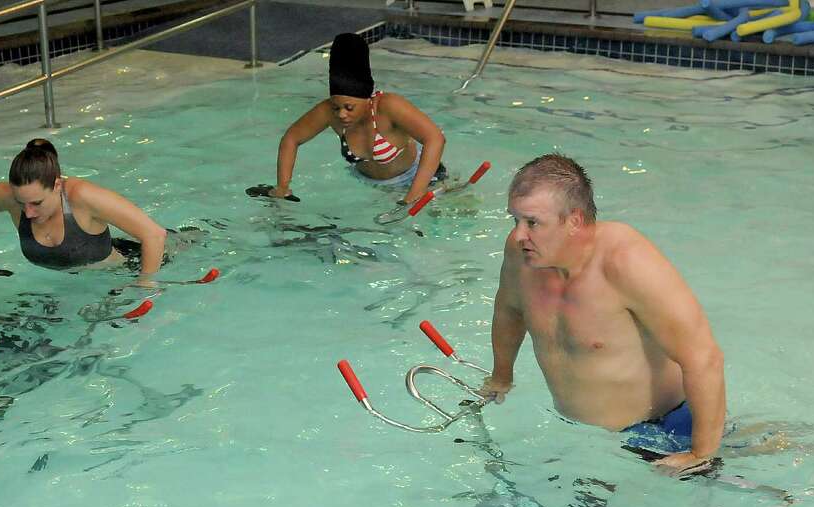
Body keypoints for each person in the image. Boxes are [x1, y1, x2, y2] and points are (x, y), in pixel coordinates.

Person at [482, 154, 726, 474]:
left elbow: (704, 358)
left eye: (532, 222)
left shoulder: (626, 262)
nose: (518, 235)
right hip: (586, 441)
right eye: (514, 220)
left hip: (663, 432)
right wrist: (502, 376)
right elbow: (509, 310)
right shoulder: (522, 254)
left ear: (574, 221)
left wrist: (701, 453)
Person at [266, 32, 447, 205]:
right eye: (337, 107)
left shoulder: (388, 106)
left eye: (349, 107)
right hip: (369, 187)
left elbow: (435, 138)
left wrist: (414, 195)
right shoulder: (328, 111)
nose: (341, 114)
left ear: (367, 99)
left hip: (418, 180)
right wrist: (282, 187)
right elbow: (291, 138)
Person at [0, 138, 167, 278]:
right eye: (21, 203)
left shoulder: (82, 196)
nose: (28, 213)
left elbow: (155, 235)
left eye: (36, 203)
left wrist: (145, 286)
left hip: (121, 272)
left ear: (57, 185)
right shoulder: (8, 196)